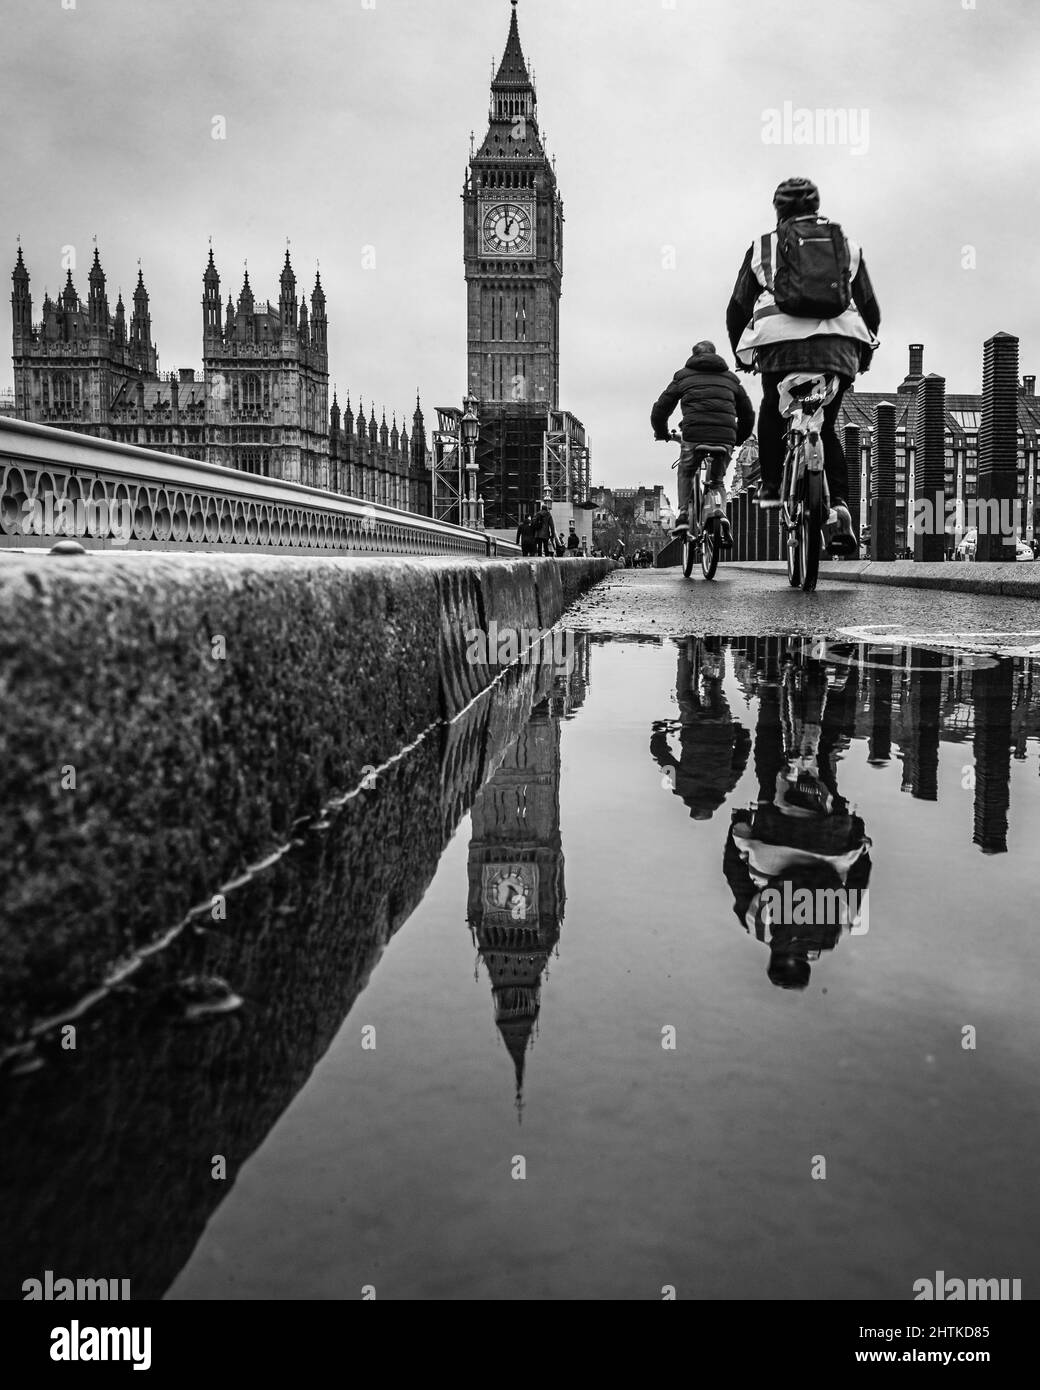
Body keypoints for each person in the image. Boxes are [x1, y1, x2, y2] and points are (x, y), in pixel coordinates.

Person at [726, 177, 881, 556]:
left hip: (780, 349)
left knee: (770, 407)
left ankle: (774, 487)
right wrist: (865, 353)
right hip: (840, 348)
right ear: (816, 206)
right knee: (825, 425)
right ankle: (840, 505)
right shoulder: (845, 245)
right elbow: (870, 306)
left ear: (778, 210)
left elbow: (737, 308)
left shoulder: (765, 246)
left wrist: (741, 354)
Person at [651, 340, 754, 549]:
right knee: (717, 481)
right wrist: (739, 438)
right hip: (725, 439)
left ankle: (682, 515)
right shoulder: (731, 379)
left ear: (694, 355)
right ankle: (721, 514)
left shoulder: (683, 376)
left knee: (686, 471)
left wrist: (661, 432)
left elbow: (661, 408)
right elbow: (747, 413)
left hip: (694, 437)